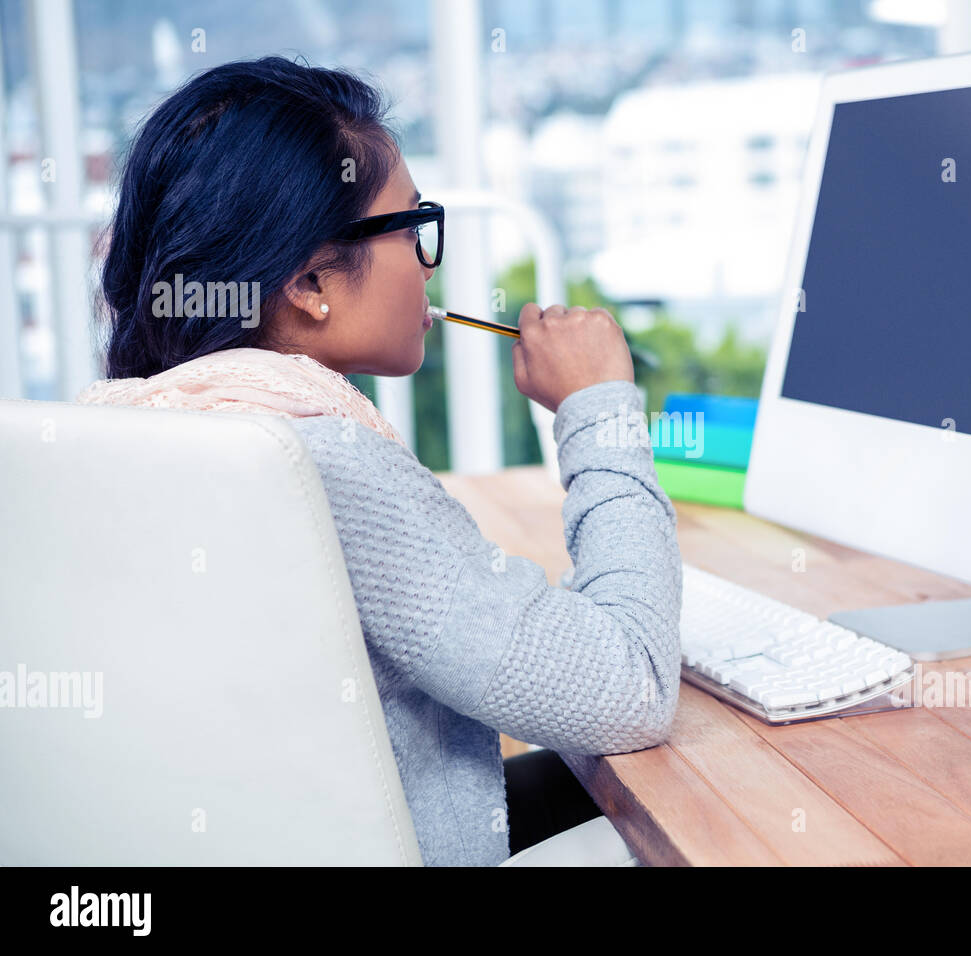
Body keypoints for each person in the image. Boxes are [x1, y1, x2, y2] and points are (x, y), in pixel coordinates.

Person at [76, 56, 681, 866]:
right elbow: (630, 686)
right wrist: (600, 407)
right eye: (412, 225)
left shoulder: (152, 431)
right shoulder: (322, 465)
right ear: (311, 280)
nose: (429, 264)